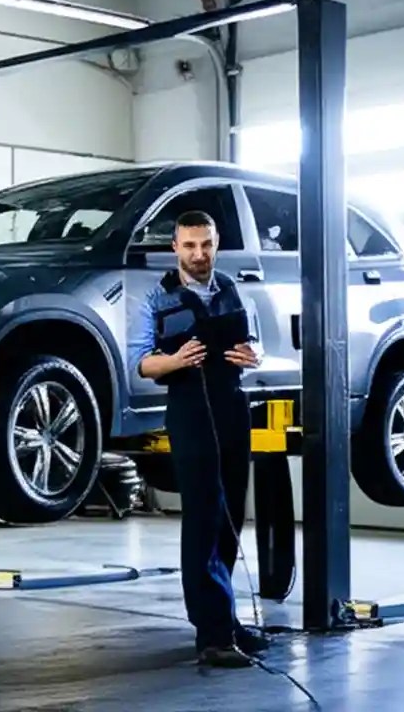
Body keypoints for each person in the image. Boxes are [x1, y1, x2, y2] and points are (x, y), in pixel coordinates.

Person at [128, 210, 267, 668]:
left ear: (216, 243)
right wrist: (176, 361)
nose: (199, 254)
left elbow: (258, 343)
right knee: (204, 516)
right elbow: (141, 363)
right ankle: (211, 635)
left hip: (231, 404)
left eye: (206, 244)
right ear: (175, 248)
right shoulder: (155, 299)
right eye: (190, 246)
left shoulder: (230, 289)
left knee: (230, 516)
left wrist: (254, 354)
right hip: (188, 409)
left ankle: (224, 619)